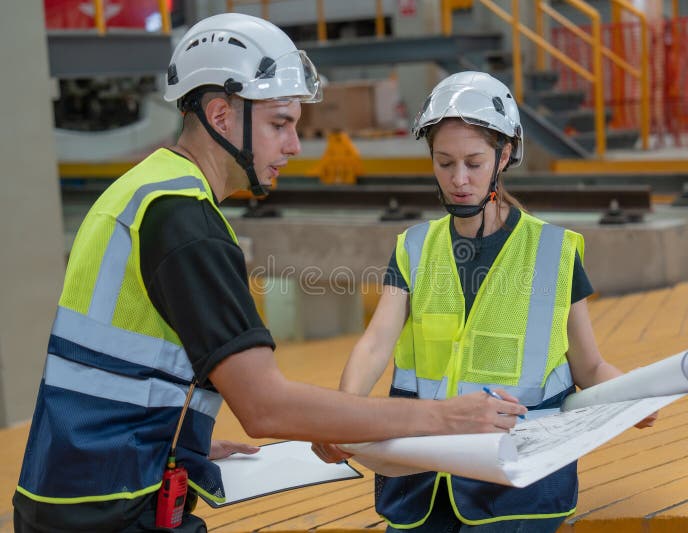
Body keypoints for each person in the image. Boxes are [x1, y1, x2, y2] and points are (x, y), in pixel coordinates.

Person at [12, 17, 526, 532]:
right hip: (115, 509)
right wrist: (447, 418)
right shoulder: (186, 223)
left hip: (67, 494)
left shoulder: (137, 192)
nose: (295, 145)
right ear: (220, 115)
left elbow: (108, 372)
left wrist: (183, 434)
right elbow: (265, 406)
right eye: (280, 123)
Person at [311, 71, 657, 532]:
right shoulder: (413, 247)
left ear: (505, 155)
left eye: (474, 162)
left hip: (517, 483)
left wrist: (631, 398)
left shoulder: (552, 252)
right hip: (423, 480)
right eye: (444, 162)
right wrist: (344, 413)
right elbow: (376, 344)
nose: (458, 179)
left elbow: (589, 366)